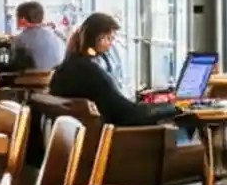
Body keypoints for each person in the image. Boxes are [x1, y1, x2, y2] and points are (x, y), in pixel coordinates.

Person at [50, 12, 179, 127]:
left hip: (83, 143)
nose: (111, 44)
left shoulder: (64, 69)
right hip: (117, 142)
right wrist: (172, 107)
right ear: (100, 38)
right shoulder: (92, 73)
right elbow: (128, 115)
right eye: (110, 38)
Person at [10, 1, 65, 71]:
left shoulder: (21, 39)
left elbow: (15, 62)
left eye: (17, 16)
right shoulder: (54, 33)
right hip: (56, 76)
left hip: (37, 77)